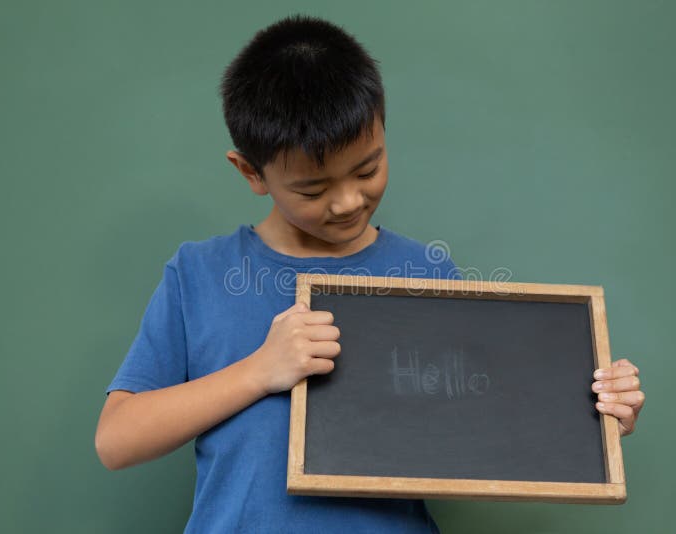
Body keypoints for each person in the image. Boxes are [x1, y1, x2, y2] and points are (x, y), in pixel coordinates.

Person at [94, 14, 645, 533]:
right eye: (313, 189)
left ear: (382, 130)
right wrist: (261, 370)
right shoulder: (200, 273)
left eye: (368, 168)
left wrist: (595, 418)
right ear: (250, 172)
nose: (348, 201)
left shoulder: (426, 275)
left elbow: (495, 420)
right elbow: (116, 440)